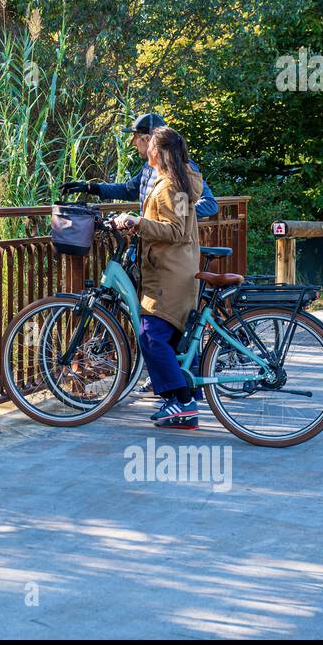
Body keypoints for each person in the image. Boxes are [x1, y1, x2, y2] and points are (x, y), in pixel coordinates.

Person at [111, 127, 202, 429]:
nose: (145, 148)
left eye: (150, 144)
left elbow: (178, 231)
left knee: (151, 334)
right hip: (169, 269)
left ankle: (183, 401)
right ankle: (180, 406)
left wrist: (139, 222)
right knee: (167, 338)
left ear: (159, 152)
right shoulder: (175, 182)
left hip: (171, 273)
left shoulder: (174, 187)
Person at [62, 112, 218, 218]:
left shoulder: (181, 168)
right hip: (151, 243)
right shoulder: (149, 167)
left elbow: (209, 205)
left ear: (148, 139)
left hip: (170, 252)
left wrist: (170, 212)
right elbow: (129, 190)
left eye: (135, 137)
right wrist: (91, 188)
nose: (132, 143)